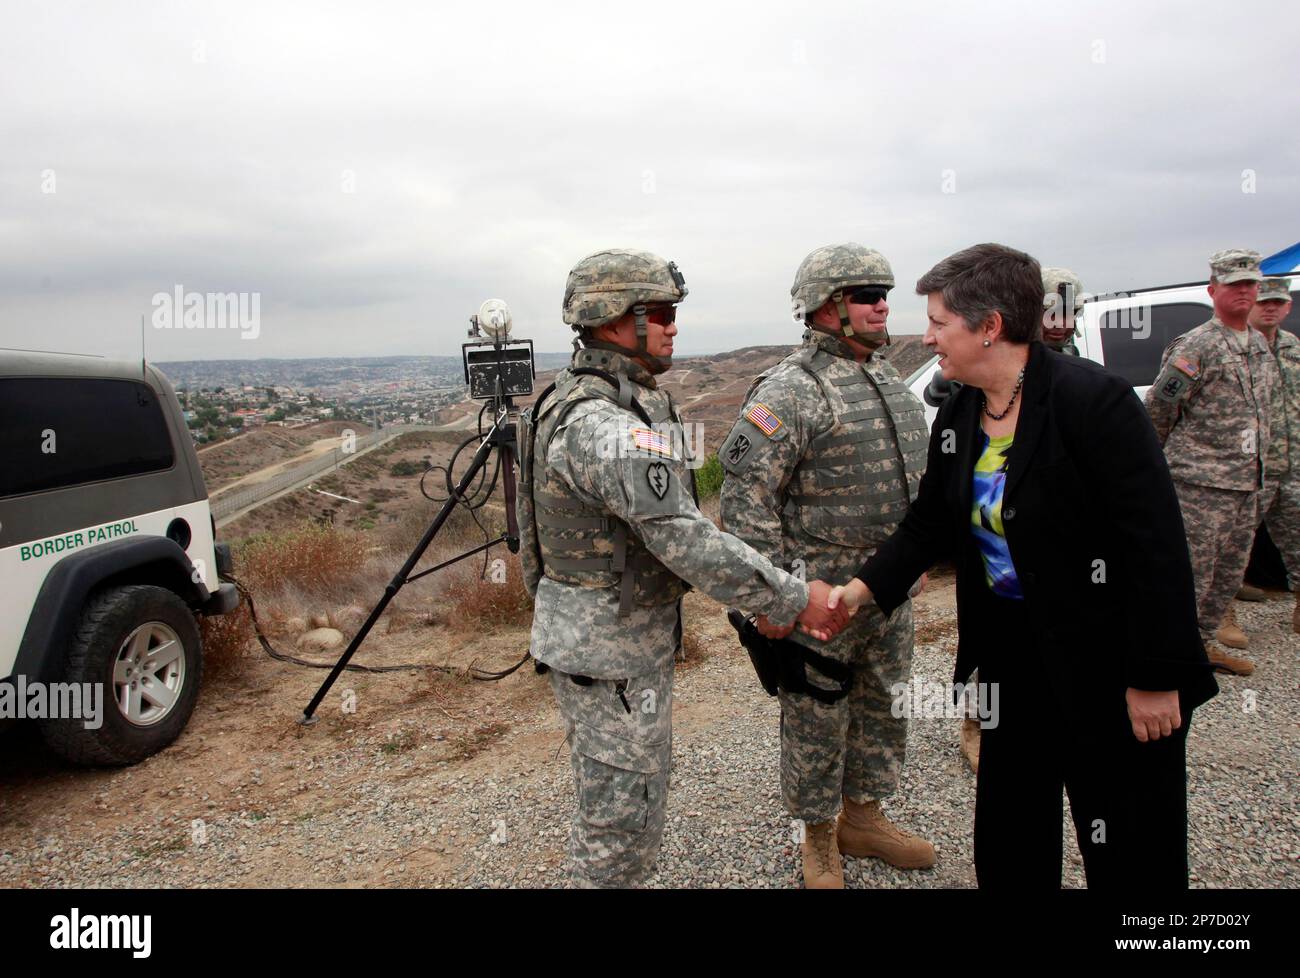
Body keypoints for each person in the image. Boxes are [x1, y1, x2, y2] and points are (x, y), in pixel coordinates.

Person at [818, 242, 1218, 889]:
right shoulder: (961, 409)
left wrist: (1155, 677)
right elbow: (928, 526)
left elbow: (1157, 548)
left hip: (1109, 665)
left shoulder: (1097, 404)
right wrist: (857, 593)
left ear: (990, 326)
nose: (926, 336)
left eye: (940, 322)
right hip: (1011, 665)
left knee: (1130, 852)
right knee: (1011, 845)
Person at [517, 248, 847, 888]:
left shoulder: (598, 401)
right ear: (616, 320)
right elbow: (684, 537)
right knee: (619, 831)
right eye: (661, 313)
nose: (673, 326)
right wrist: (789, 597)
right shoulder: (602, 426)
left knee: (627, 809)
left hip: (610, 643)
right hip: (610, 652)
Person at [718, 243, 934, 889]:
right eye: (867, 295)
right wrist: (781, 597)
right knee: (816, 720)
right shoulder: (790, 390)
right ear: (827, 306)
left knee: (884, 709)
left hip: (887, 597)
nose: (882, 306)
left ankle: (863, 819)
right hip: (822, 606)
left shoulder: (892, 380)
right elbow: (745, 503)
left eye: (884, 295)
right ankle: (817, 838)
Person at [1144, 249, 1273, 674]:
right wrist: (1158, 470)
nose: (1244, 291)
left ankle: (1201, 647)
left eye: (1249, 284)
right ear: (1213, 289)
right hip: (1199, 485)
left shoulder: (1257, 344)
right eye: (1234, 284)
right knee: (1189, 577)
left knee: (1229, 576)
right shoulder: (1197, 346)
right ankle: (1169, 658)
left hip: (1246, 484)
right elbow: (1160, 410)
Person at [1249, 276, 1300, 631]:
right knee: (1227, 548)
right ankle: (1220, 618)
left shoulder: (1293, 348)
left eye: (1277, 303)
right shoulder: (1227, 347)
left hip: (1292, 464)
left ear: (1288, 306)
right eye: (1263, 301)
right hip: (1245, 469)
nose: (1270, 308)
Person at [1040, 266, 1085, 356]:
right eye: (1050, 314)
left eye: (1067, 314)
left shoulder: (1071, 354)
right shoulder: (1009, 362)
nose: (1059, 323)